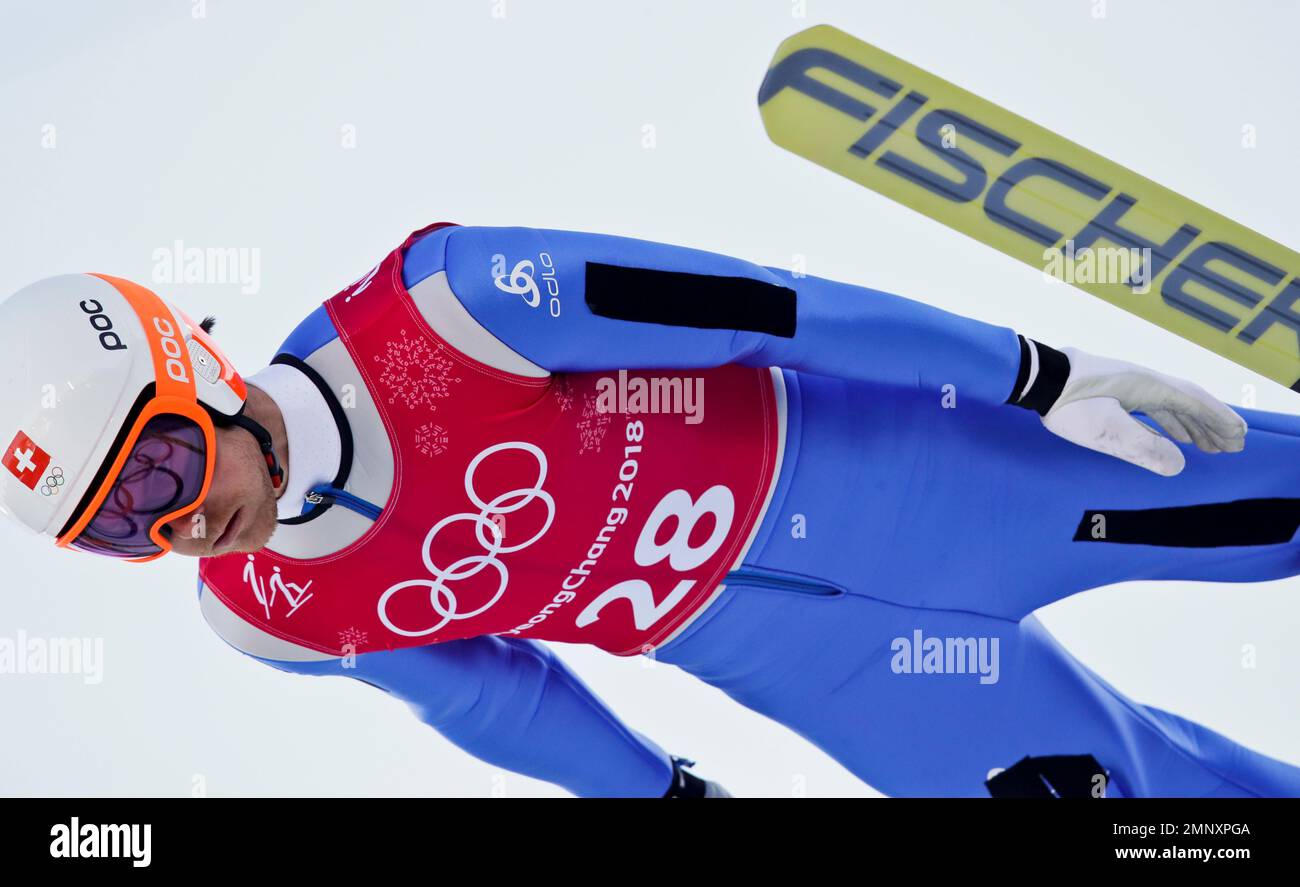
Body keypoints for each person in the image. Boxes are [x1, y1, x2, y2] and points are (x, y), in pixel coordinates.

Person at [2, 221, 1298, 798]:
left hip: (915, 482)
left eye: (160, 476)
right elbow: (487, 693)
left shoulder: (442, 311)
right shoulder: (262, 611)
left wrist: (1030, 375)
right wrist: (657, 799)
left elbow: (763, 308)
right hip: (831, 673)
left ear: (194, 371)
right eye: (119, 533)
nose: (175, 531)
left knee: (1271, 502)